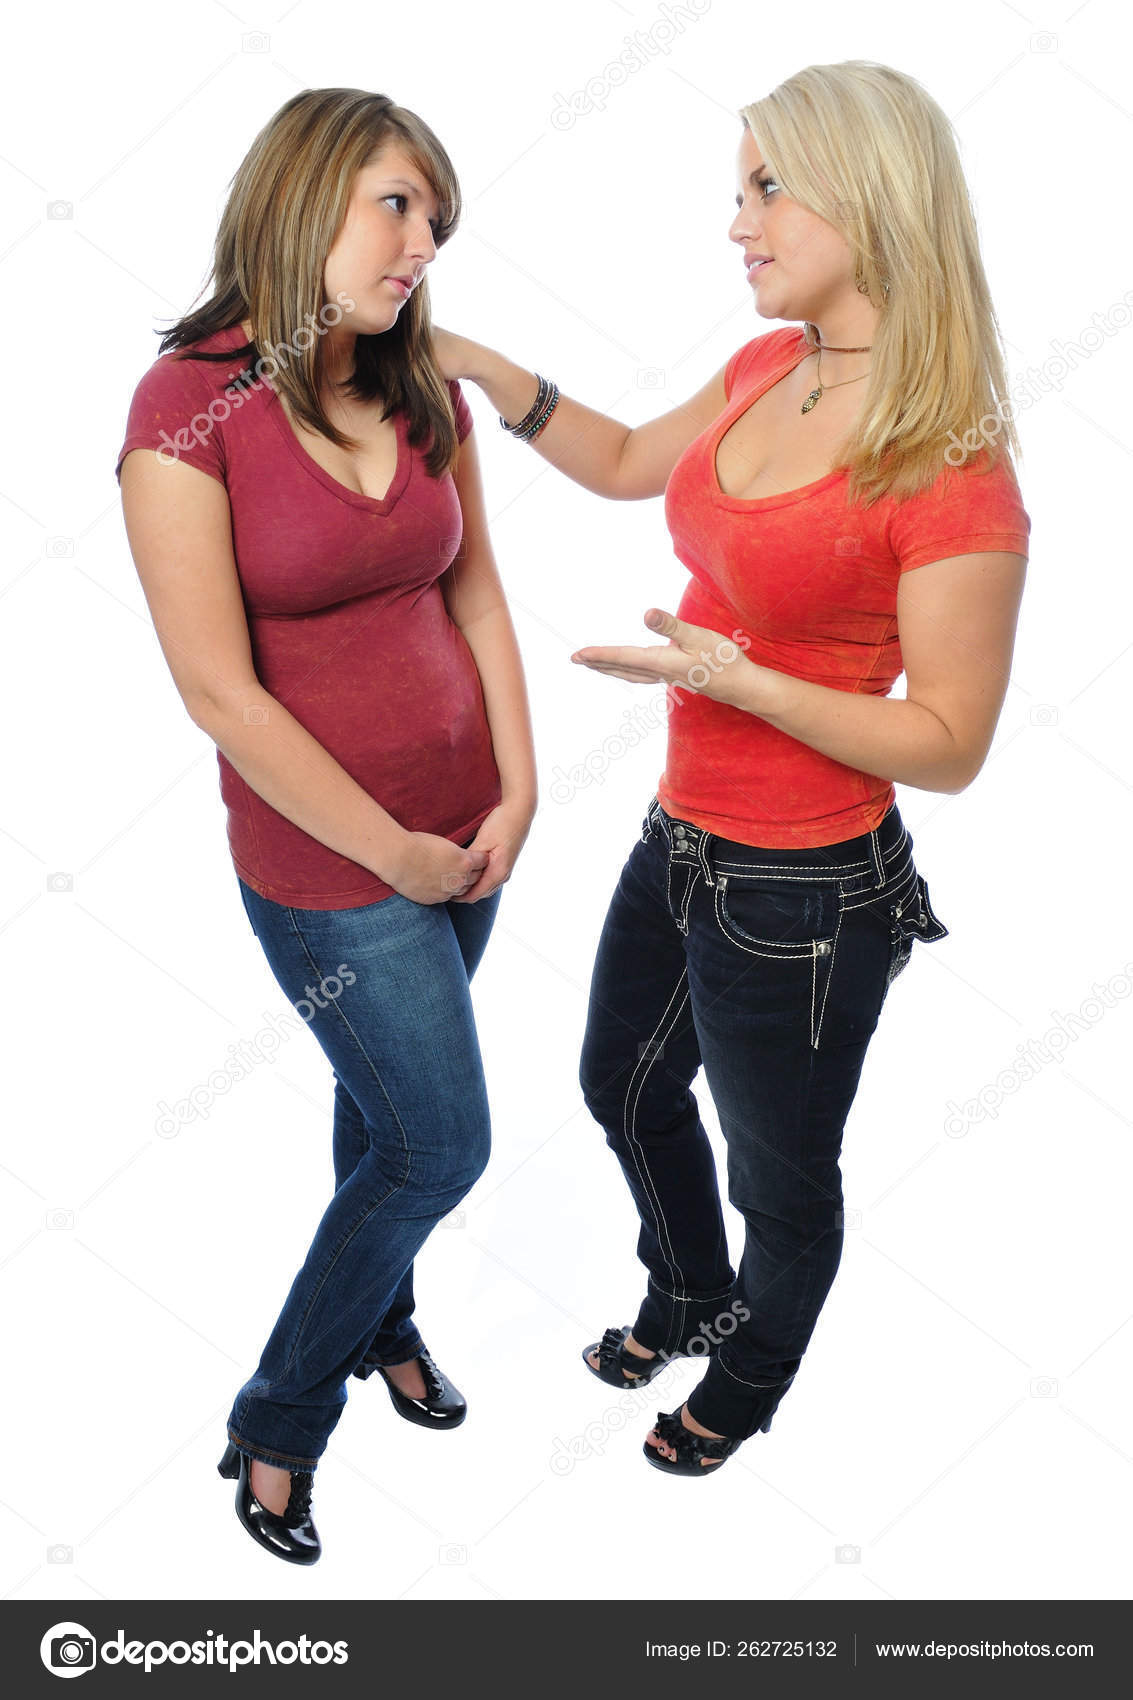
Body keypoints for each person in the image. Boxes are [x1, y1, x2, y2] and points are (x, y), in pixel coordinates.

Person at [434, 59, 1030, 1477]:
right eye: (738, 189)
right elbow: (627, 458)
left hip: (806, 891)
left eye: (767, 189)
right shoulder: (773, 366)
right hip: (684, 838)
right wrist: (472, 362)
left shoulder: (952, 466)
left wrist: (740, 680)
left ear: (868, 200)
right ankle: (691, 1293)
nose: (737, 223)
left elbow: (950, 744)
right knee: (620, 1084)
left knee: (781, 1177)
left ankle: (749, 1376)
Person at [115, 88, 536, 1561]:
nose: (422, 245)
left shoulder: (419, 386)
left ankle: (383, 1321)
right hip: (332, 873)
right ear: (301, 196)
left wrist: (521, 787)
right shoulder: (185, 408)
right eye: (396, 206)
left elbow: (478, 599)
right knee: (439, 1149)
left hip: (468, 839)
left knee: (385, 1118)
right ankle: (281, 1417)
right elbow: (219, 694)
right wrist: (394, 853)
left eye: (437, 222)